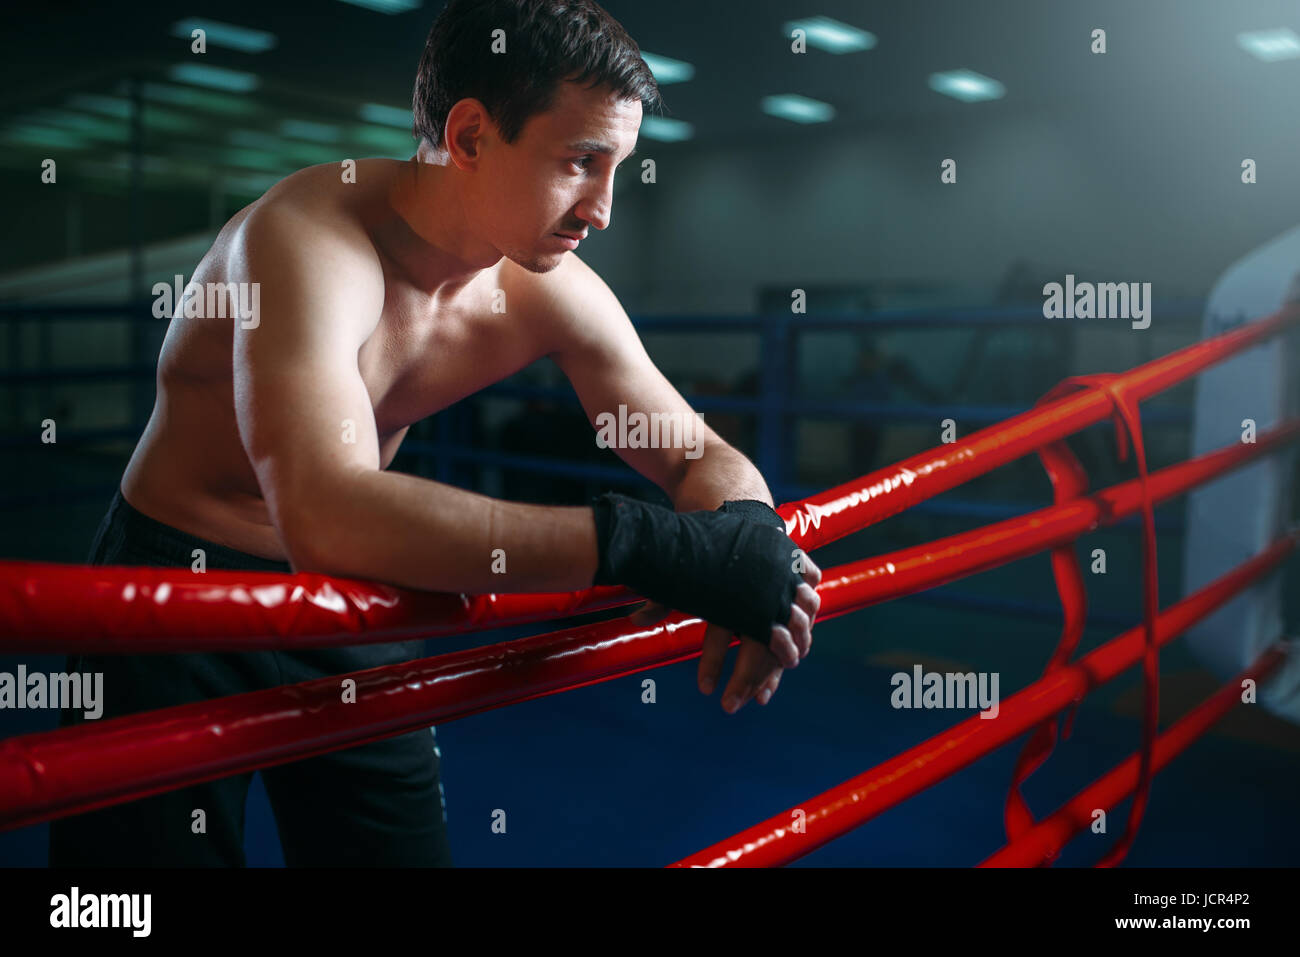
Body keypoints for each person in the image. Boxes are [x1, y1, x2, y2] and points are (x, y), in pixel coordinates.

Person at [49, 0, 820, 868]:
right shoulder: (306, 239)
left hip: (355, 603)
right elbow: (325, 509)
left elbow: (693, 454)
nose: (602, 210)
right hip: (178, 595)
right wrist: (646, 543)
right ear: (469, 136)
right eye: (580, 162)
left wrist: (747, 539)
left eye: (618, 169)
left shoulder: (548, 288)